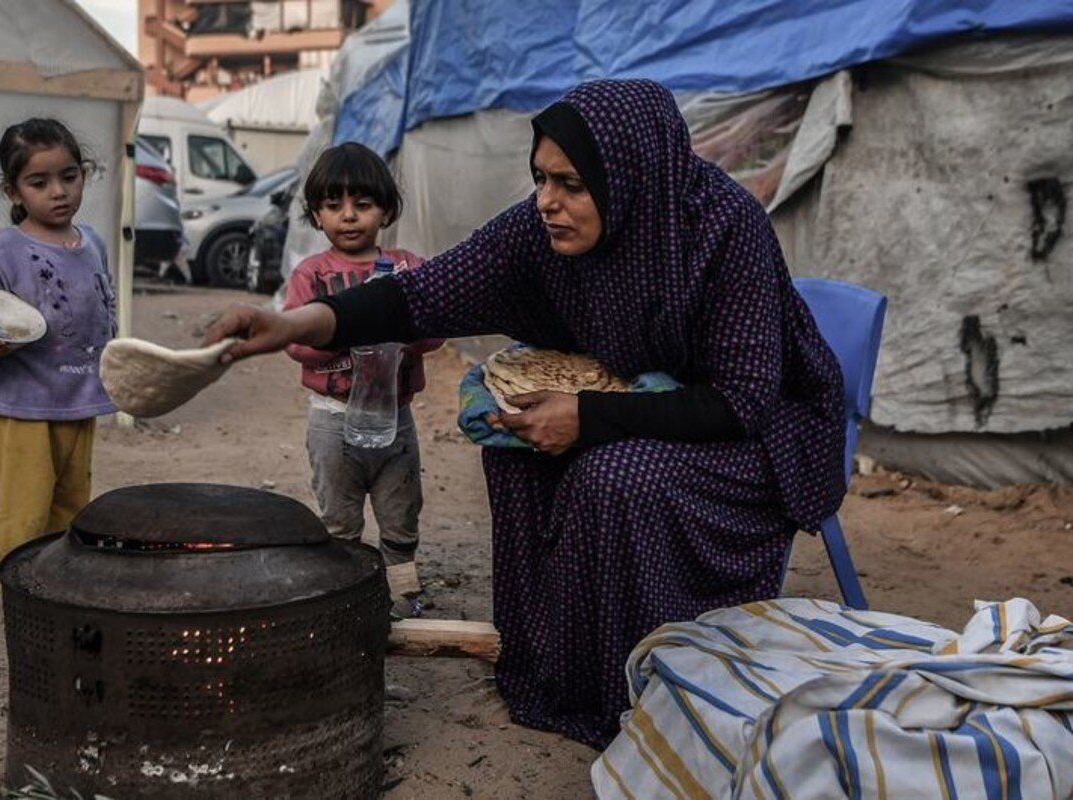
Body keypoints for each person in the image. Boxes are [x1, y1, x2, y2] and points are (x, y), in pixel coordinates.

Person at [203, 80, 847, 749]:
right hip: (638, 404)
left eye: (570, 183)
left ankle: (643, 687)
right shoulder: (537, 234)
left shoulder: (721, 228)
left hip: (757, 432)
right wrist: (290, 323)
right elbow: (421, 294)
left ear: (626, 177)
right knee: (516, 450)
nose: (547, 202)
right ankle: (556, 673)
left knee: (612, 476)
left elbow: (743, 398)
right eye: (540, 178)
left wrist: (587, 418)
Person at [283, 142, 443, 618]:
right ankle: (345, 601)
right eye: (334, 206)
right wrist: (346, 334)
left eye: (363, 205)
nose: (348, 217)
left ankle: (402, 597)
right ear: (316, 216)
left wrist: (402, 332)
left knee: (400, 516)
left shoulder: (407, 269)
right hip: (332, 423)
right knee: (339, 521)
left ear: (387, 210)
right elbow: (295, 342)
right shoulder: (311, 275)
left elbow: (436, 326)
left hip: (396, 419)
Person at [0, 118, 116, 562]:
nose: (59, 192)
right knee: (24, 514)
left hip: (81, 399)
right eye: (39, 182)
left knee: (70, 508)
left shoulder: (94, 243)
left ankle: (55, 587)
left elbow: (104, 313)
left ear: (85, 173)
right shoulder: (3, 250)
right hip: (25, 406)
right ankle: (19, 587)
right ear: (12, 191)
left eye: (69, 176)